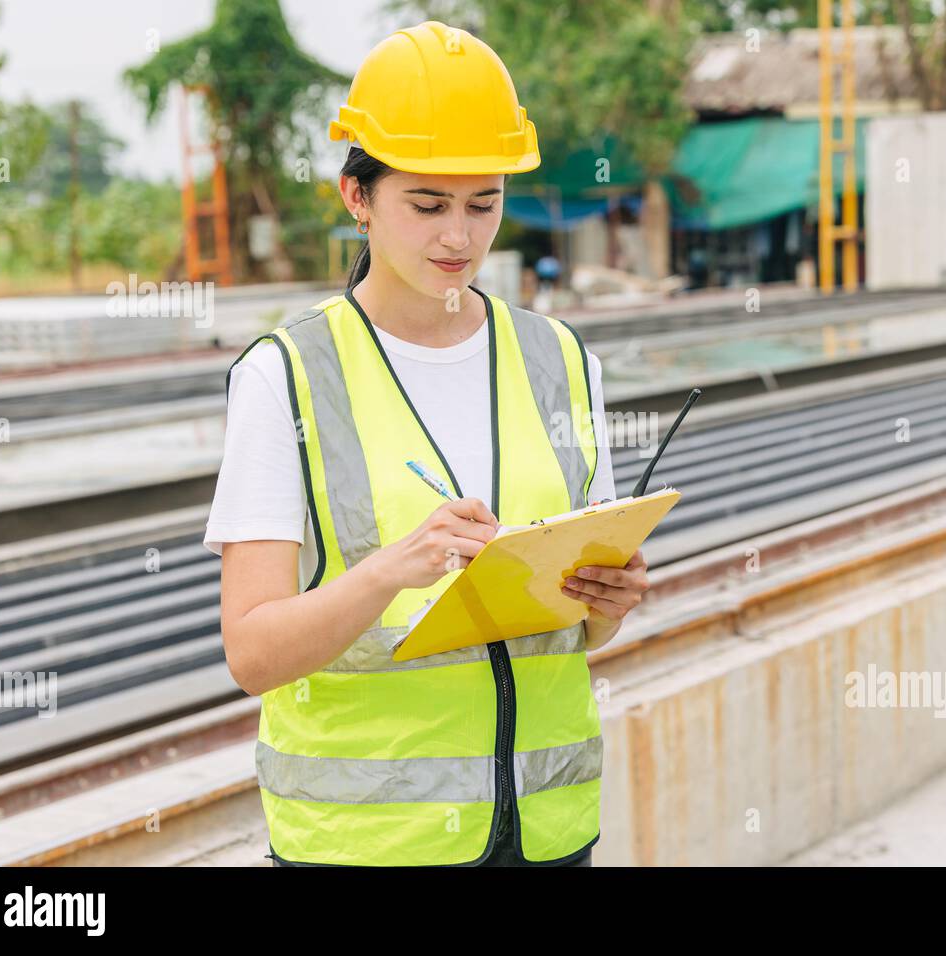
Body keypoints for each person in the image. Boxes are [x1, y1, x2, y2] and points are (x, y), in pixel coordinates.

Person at [203, 20, 651, 867]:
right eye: (427, 205)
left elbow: (577, 637)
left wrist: (608, 603)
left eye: (484, 203)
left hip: (549, 835)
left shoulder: (560, 360)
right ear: (357, 196)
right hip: (366, 845)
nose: (460, 237)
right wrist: (389, 571)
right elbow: (253, 654)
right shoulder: (287, 376)